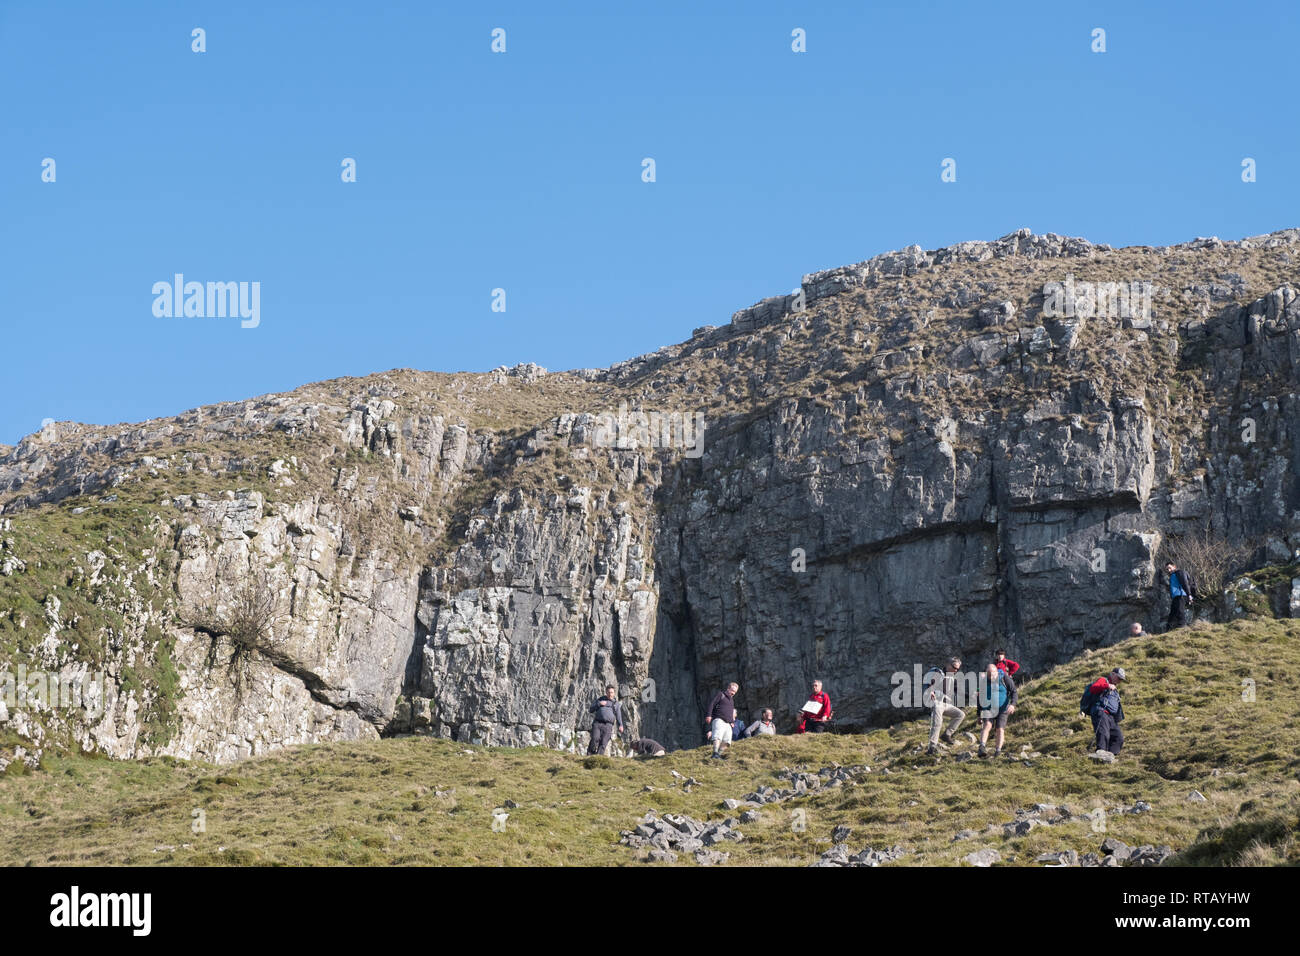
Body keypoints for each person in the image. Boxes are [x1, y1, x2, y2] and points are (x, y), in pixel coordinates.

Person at [1080, 667, 1127, 754]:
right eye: (1119, 678)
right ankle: (1101, 756)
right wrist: (1107, 685)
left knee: (1118, 737)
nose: (1120, 681)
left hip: (1111, 717)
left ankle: (1110, 757)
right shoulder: (1103, 680)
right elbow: (1093, 688)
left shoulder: (1114, 689)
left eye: (1121, 679)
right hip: (1101, 712)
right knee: (1103, 733)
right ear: (1112, 674)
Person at [926, 657, 966, 755]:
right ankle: (932, 747)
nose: (956, 670)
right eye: (954, 667)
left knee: (960, 715)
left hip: (947, 704)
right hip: (937, 702)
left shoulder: (952, 678)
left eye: (958, 669)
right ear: (948, 664)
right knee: (937, 723)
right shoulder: (938, 672)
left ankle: (947, 734)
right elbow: (928, 681)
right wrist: (930, 691)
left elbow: (959, 691)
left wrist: (972, 694)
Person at [977, 663, 1017, 757]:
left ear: (997, 672)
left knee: (1000, 729)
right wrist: (979, 714)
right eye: (989, 675)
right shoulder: (983, 681)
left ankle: (998, 751)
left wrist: (1013, 705)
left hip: (1002, 709)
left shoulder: (1005, 678)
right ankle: (982, 747)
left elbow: (1014, 692)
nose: (992, 677)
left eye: (993, 674)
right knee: (987, 725)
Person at [705, 682, 739, 759]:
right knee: (718, 736)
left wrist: (732, 722)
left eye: (735, 692)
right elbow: (712, 704)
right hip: (719, 719)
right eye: (732, 690)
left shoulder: (732, 700)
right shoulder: (721, 694)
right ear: (728, 688)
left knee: (727, 741)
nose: (733, 693)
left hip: (728, 723)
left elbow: (730, 712)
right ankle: (715, 753)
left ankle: (718, 755)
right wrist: (709, 715)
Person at [587, 684, 624, 756]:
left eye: (612, 692)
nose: (610, 694)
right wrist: (599, 704)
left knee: (603, 743)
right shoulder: (600, 699)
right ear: (606, 692)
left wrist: (621, 725)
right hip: (597, 723)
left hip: (608, 725)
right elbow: (591, 709)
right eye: (609, 692)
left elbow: (618, 715)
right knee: (595, 739)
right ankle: (590, 756)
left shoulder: (616, 704)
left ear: (614, 693)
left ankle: (598, 758)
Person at [1164, 562, 1197, 631]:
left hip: (1181, 595)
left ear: (1174, 567)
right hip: (1175, 596)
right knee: (1172, 613)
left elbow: (1184, 583)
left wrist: (1189, 595)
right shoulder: (1172, 576)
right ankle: (1168, 629)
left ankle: (1182, 627)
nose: (1169, 570)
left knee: (1180, 611)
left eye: (1170, 568)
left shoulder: (1179, 572)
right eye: (1167, 569)